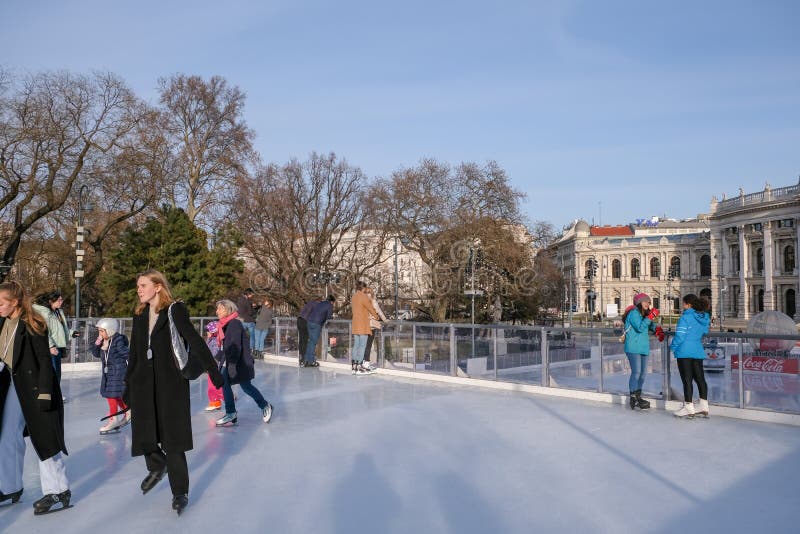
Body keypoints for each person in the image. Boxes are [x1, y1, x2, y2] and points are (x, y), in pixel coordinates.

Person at [125, 269, 224, 516]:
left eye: (143, 285)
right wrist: (128, 385)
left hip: (171, 384)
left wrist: (213, 371)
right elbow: (135, 354)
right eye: (138, 285)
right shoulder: (139, 315)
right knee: (143, 431)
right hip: (144, 383)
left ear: (158, 287)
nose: (139, 289)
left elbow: (195, 339)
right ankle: (157, 467)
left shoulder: (174, 310)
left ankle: (180, 492)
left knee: (173, 441)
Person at [0, 281, 71, 515]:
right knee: (8, 434)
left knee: (45, 437)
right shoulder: (2, 322)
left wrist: (45, 392)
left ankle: (58, 490)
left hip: (34, 387)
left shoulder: (33, 323)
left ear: (15, 302)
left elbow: (44, 361)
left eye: (1, 303)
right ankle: (10, 486)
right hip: (12, 384)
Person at [213, 299, 273, 427]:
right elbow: (227, 347)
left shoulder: (234, 324)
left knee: (246, 387)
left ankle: (265, 405)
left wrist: (233, 365)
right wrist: (217, 356)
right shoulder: (225, 324)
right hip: (231, 360)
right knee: (225, 383)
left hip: (240, 362)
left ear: (227, 309)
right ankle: (231, 413)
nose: (216, 311)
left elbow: (236, 346)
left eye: (220, 308)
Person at [670, 294, 711, 418]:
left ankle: (688, 407)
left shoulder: (685, 317)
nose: (683, 306)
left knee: (687, 380)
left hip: (684, 352)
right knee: (700, 379)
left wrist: (672, 347)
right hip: (697, 350)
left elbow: (680, 336)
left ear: (688, 304)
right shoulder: (703, 317)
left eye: (683, 303)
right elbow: (705, 331)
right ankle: (704, 405)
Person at [622, 293, 663, 410]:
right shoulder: (633, 313)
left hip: (643, 347)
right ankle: (633, 397)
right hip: (633, 347)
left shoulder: (643, 315)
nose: (647, 304)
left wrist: (657, 329)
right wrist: (650, 316)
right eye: (645, 301)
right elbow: (640, 327)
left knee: (643, 374)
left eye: (649, 302)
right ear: (639, 303)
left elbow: (649, 325)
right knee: (636, 372)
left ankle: (638, 396)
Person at [33, 291, 79, 397]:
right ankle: (50, 394)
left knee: (57, 373)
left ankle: (56, 394)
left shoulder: (57, 312)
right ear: (50, 301)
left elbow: (61, 328)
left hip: (57, 346)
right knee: (51, 373)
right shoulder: (45, 313)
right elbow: (44, 332)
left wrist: (71, 333)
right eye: (59, 300)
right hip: (50, 348)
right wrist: (51, 346)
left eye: (61, 299)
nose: (61, 302)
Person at [90, 318, 131, 434]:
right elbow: (96, 353)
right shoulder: (104, 341)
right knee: (115, 395)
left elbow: (126, 353)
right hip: (109, 372)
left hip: (118, 372)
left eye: (102, 331)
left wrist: (134, 367)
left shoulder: (118, 340)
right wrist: (98, 342)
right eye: (99, 331)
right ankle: (128, 411)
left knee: (111, 396)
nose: (100, 334)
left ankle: (113, 419)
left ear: (110, 330)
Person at [350, 281, 379, 375]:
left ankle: (354, 366)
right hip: (362, 324)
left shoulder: (354, 297)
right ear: (364, 288)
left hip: (355, 324)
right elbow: (370, 308)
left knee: (356, 345)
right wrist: (376, 316)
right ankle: (359, 367)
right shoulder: (364, 297)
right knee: (362, 346)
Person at [302, 295, 334, 368]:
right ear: (332, 301)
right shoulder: (329, 305)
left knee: (310, 341)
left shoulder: (320, 303)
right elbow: (329, 316)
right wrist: (329, 320)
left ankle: (306, 360)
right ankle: (311, 361)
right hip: (317, 323)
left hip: (309, 322)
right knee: (313, 342)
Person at [362, 286, 387, 372]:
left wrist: (384, 319)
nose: (368, 294)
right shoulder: (372, 302)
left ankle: (363, 363)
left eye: (369, 292)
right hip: (369, 326)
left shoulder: (364, 302)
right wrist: (384, 319)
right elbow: (379, 312)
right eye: (367, 292)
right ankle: (366, 363)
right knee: (367, 345)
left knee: (365, 344)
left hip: (365, 325)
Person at [203, 321, 224, 412]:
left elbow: (215, 354)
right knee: (211, 386)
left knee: (214, 385)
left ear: (214, 332)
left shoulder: (216, 341)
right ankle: (215, 402)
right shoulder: (210, 339)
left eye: (208, 331)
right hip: (211, 367)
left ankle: (226, 396)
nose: (206, 333)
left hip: (214, 367)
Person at [297, 297, 319, 365]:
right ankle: (306, 359)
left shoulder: (309, 303)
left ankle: (301, 357)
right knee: (306, 340)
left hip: (299, 320)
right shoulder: (316, 304)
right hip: (305, 322)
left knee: (301, 340)